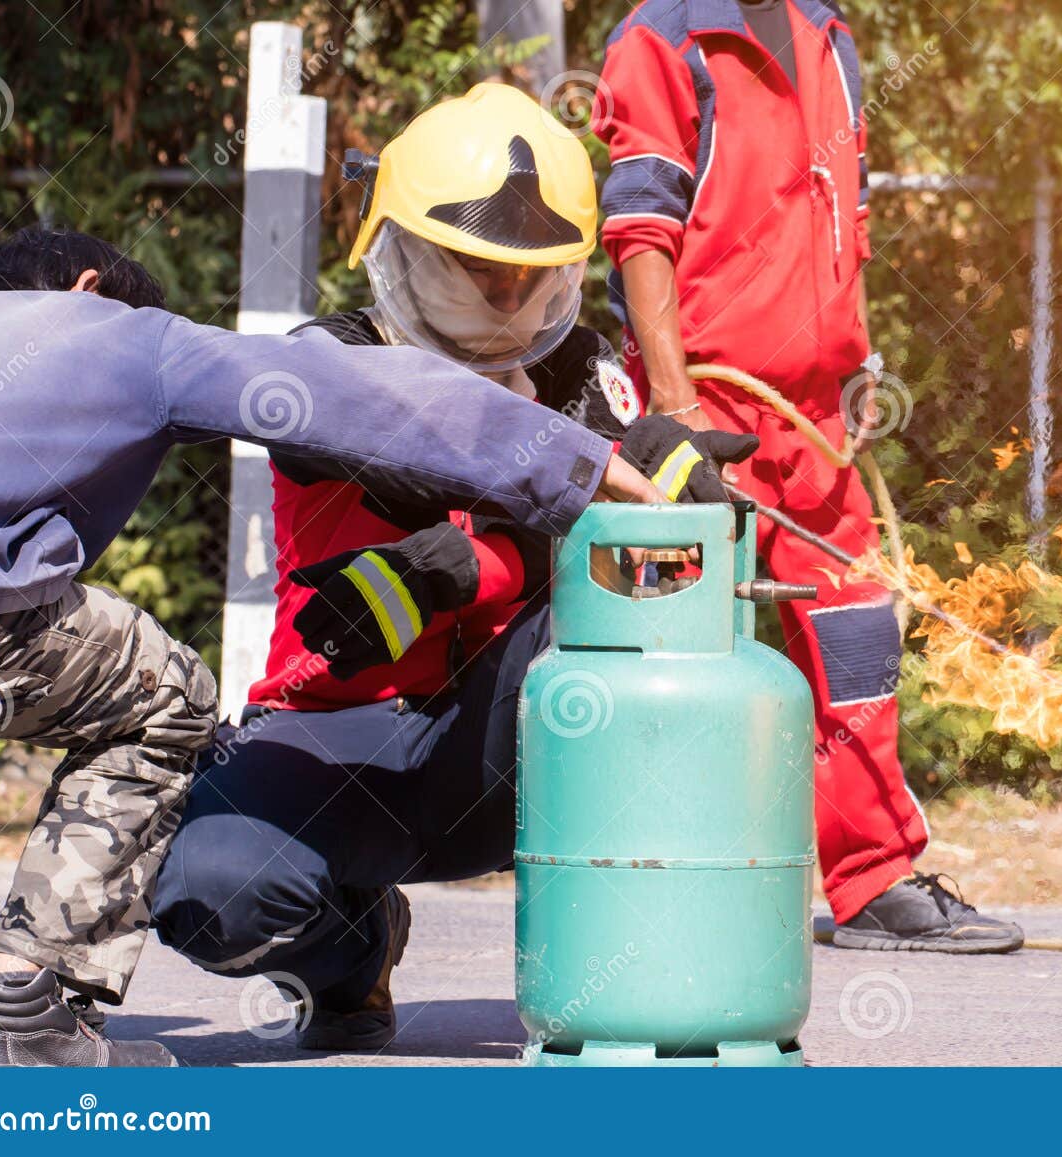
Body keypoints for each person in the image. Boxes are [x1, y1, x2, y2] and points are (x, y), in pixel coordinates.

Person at [0, 225, 664, 1067]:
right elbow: (352, 393)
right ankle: (22, 1009)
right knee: (165, 697)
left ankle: (349, 950)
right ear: (88, 290)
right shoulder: (123, 333)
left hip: (459, 735)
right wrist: (578, 463)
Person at [149, 85, 758, 1052]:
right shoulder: (324, 364)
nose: (505, 299)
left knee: (633, 617)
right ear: (399, 248)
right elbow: (422, 443)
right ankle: (352, 950)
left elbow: (620, 551)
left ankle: (638, 986)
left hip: (515, 736)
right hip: (339, 730)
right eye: (477, 268)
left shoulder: (579, 368)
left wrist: (667, 483)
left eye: (530, 276)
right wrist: (566, 491)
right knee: (208, 892)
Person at [596, 0, 1023, 951]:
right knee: (675, 647)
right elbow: (641, 233)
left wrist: (856, 363)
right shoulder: (662, 37)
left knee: (857, 633)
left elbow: (845, 215)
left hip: (813, 416)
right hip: (702, 406)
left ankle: (875, 879)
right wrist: (674, 407)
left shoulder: (830, 39)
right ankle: (655, 884)